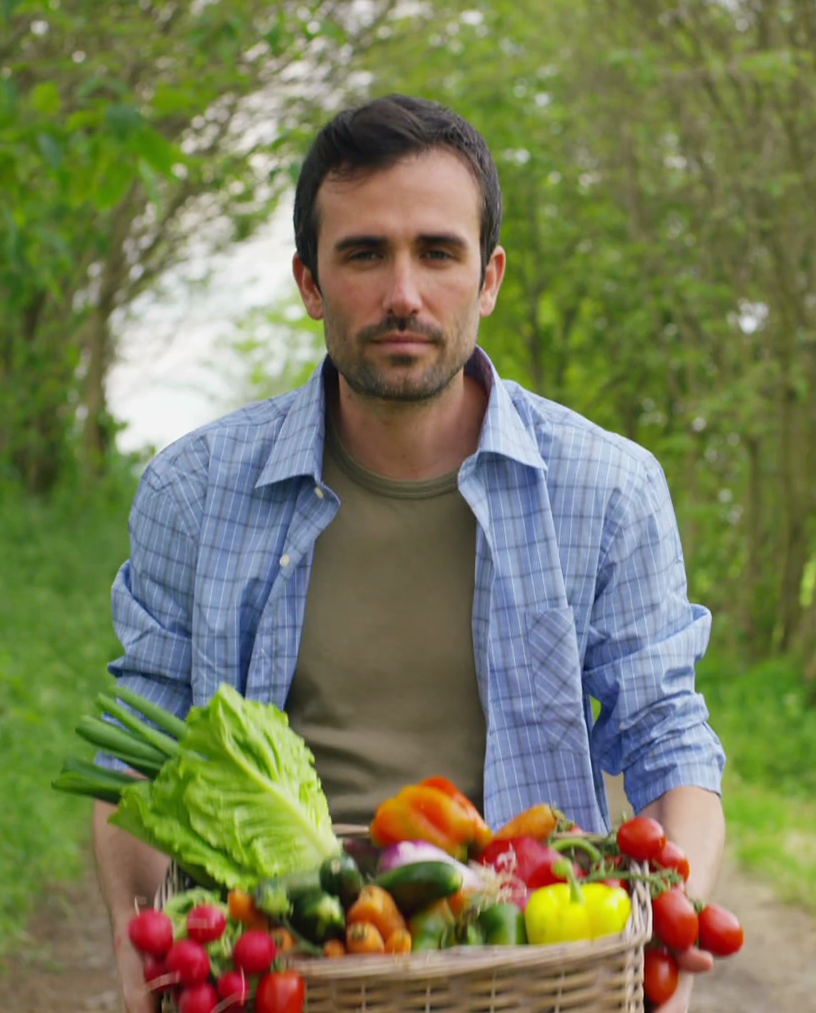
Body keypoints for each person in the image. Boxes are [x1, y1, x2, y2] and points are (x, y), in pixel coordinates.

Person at [92, 94, 727, 1013]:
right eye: (363, 254)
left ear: (489, 278)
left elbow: (670, 736)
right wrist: (137, 950)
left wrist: (674, 921)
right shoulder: (192, 492)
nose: (403, 294)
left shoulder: (607, 487)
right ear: (310, 283)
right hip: (278, 961)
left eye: (437, 252)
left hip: (523, 961)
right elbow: (136, 757)